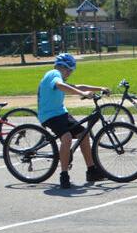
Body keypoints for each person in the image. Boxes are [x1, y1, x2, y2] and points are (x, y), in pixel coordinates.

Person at [36, 53, 110, 189]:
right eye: (69, 70)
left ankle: (91, 171)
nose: (70, 73)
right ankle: (64, 175)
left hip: (61, 113)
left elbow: (78, 86)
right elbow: (60, 85)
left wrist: (99, 88)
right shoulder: (53, 74)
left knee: (84, 134)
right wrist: (82, 94)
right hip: (49, 116)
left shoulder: (59, 77)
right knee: (67, 137)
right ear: (63, 67)